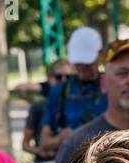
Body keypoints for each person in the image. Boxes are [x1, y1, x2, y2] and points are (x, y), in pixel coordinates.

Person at [38, 27, 107, 156]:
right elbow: (44, 142)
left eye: (87, 62)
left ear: (100, 54)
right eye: (79, 63)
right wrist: (61, 139)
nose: (83, 67)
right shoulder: (59, 91)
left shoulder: (112, 86)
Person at [22, 59, 74, 162]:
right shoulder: (39, 106)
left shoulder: (77, 105)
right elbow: (25, 144)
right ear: (50, 79)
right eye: (58, 77)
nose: (64, 81)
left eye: (68, 77)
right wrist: (40, 151)